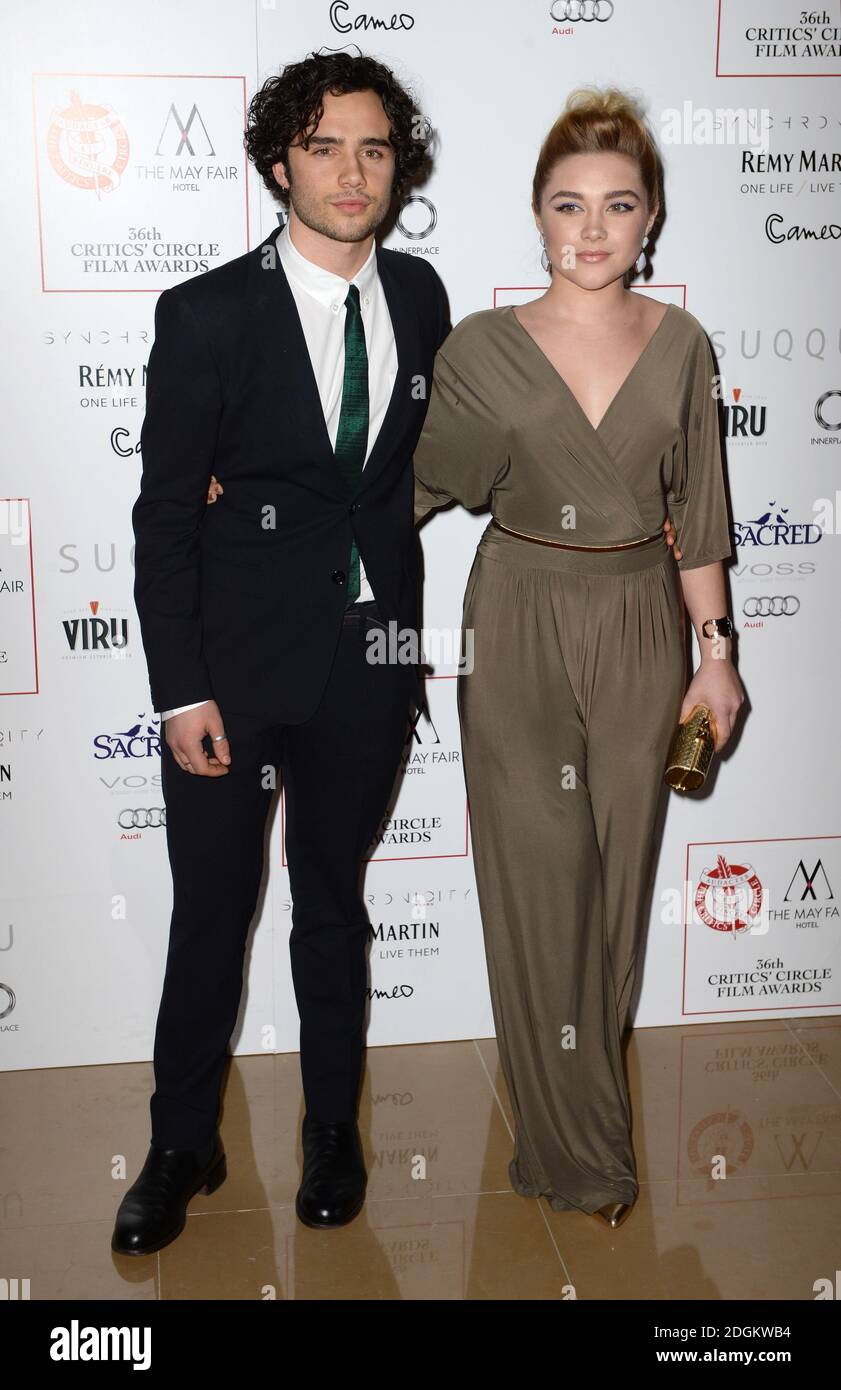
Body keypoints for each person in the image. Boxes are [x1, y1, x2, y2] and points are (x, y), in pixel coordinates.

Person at [112, 51, 449, 1255]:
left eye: (371, 147)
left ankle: (329, 1130)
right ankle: (180, 1143)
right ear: (276, 165)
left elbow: (400, 469)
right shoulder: (206, 313)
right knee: (211, 909)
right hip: (234, 672)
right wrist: (180, 688)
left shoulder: (418, 294)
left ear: (395, 164)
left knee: (331, 906)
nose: (351, 171)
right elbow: (161, 515)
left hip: (369, 658)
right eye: (323, 146)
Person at [411, 86, 745, 1229]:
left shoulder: (682, 343)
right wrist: (255, 494)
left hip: (641, 624)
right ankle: (587, 1149)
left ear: (649, 219)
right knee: (536, 877)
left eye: (617, 205)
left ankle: (563, 1114)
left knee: (615, 876)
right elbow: (405, 485)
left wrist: (717, 655)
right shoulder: (481, 348)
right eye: (569, 204)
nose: (592, 228)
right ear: (538, 217)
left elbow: (698, 517)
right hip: (516, 617)